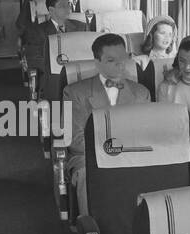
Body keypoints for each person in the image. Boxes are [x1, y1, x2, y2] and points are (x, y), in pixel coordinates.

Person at [63, 32, 150, 217]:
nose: (120, 64)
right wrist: (111, 153)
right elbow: (76, 141)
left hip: (132, 154)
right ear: (97, 62)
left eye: (122, 58)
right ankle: (90, 231)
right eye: (111, 60)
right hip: (88, 156)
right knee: (86, 173)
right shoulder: (74, 92)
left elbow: (146, 136)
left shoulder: (141, 93)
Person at [20, 0, 75, 76]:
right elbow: (34, 59)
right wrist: (62, 70)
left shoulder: (81, 26)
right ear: (51, 10)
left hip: (78, 73)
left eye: (68, 5)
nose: (68, 9)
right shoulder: (35, 31)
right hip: (52, 76)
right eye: (63, 6)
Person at [135, 16, 179, 89]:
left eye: (170, 34)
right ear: (151, 35)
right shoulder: (142, 60)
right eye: (162, 33)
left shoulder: (177, 59)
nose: (167, 37)